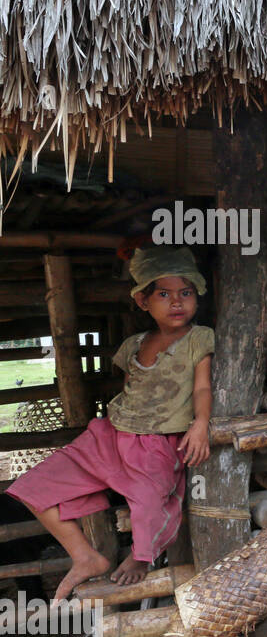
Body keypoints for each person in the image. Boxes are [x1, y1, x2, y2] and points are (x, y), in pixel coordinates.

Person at [7, 247, 213, 600]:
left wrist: (200, 424)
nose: (177, 302)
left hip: (157, 444)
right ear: (143, 301)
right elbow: (132, 390)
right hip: (110, 435)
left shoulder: (199, 338)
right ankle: (85, 556)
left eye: (186, 293)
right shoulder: (133, 344)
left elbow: (203, 386)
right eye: (164, 294)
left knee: (152, 504)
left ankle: (140, 557)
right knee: (31, 488)